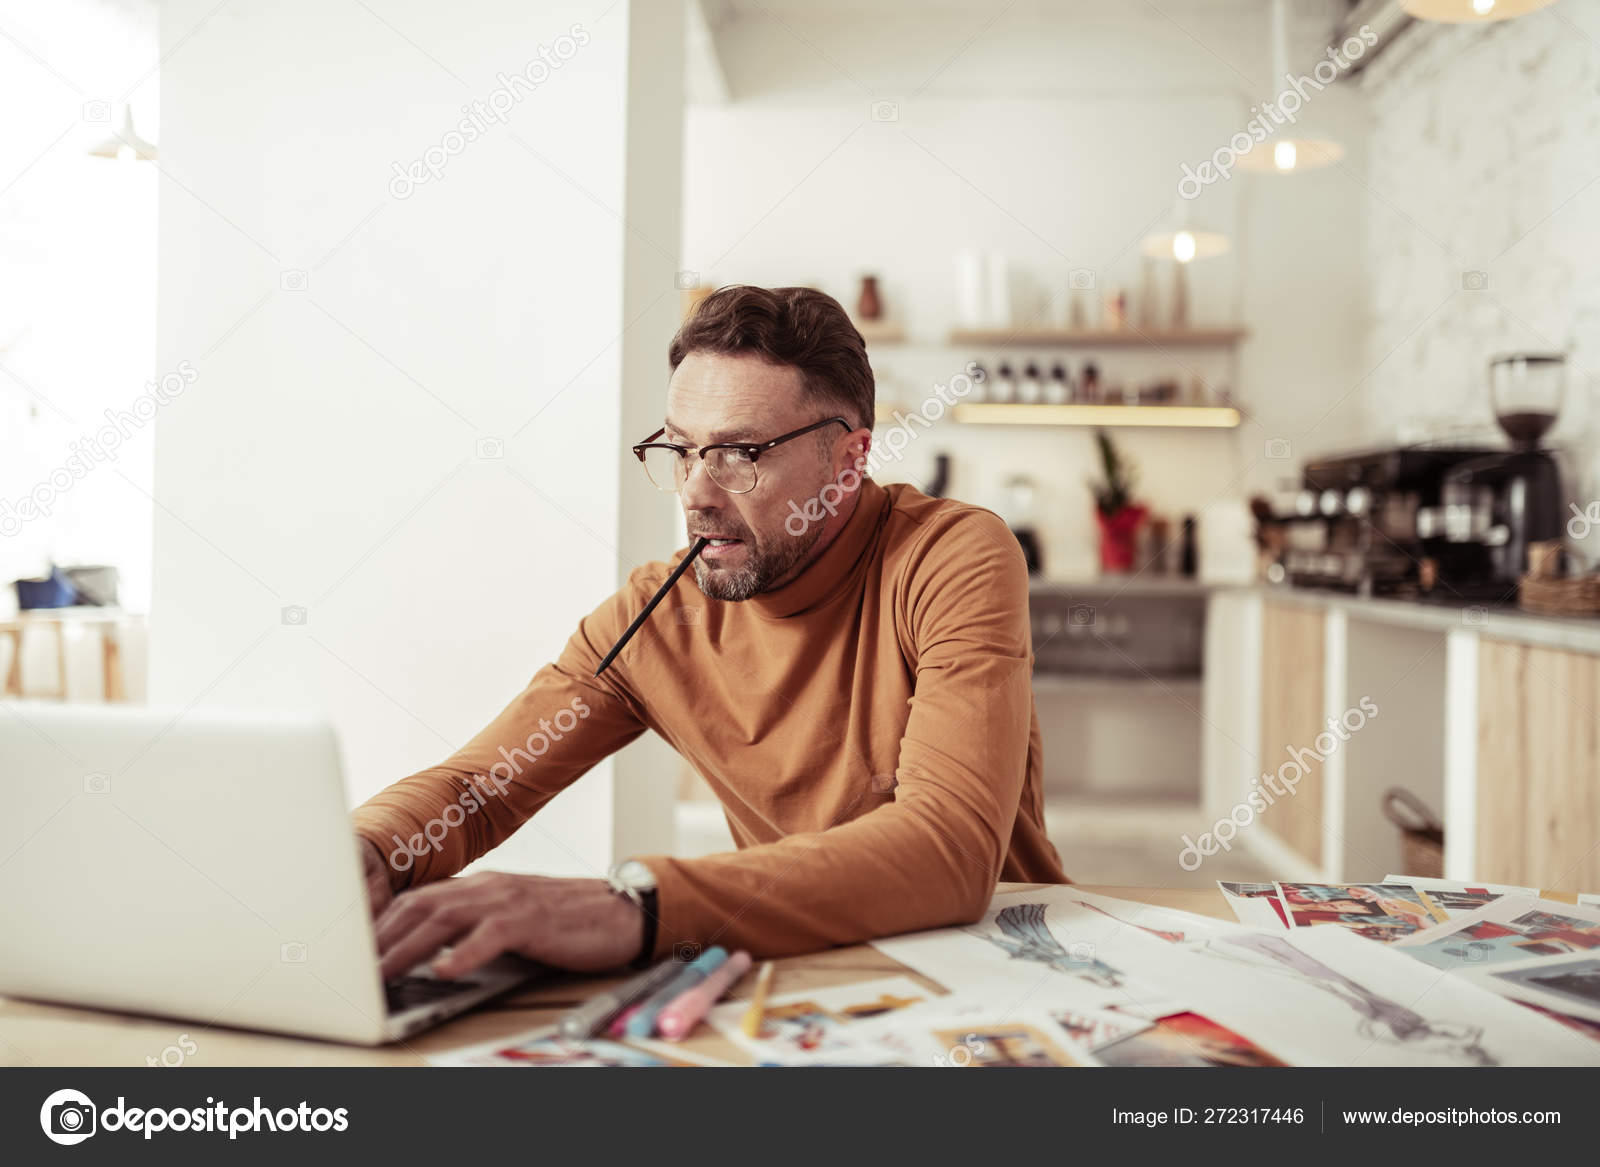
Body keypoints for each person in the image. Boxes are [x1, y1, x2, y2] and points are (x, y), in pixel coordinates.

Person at [354, 284, 1066, 981]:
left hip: (1009, 977)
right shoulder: (658, 615)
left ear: (848, 463)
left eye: (738, 455)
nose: (695, 491)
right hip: (810, 984)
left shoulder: (951, 556)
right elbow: (482, 787)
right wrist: (365, 852)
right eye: (683, 451)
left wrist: (640, 905)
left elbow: (948, 849)